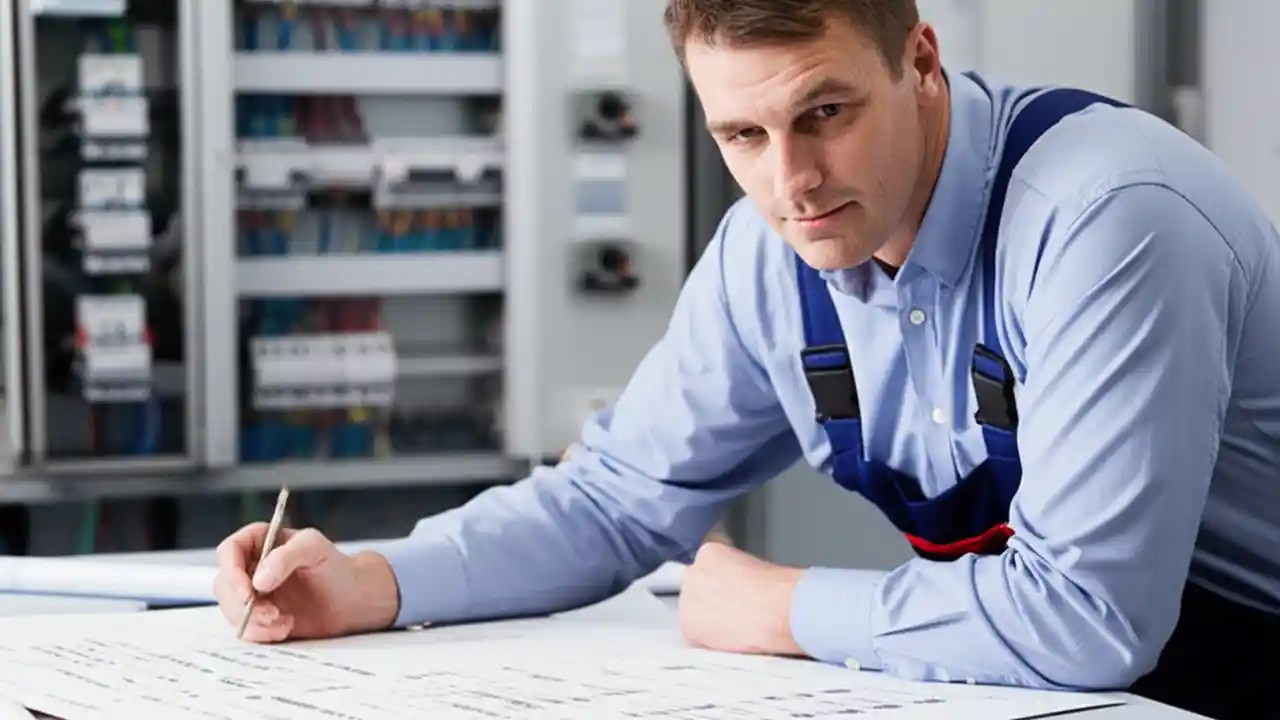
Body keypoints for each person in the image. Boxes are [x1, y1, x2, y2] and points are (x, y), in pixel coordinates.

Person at [214, 1, 1280, 716]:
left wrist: (779, 607)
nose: (792, 183)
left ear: (917, 59)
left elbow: (1084, 618)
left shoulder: (1109, 221)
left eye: (824, 113)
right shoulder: (770, 257)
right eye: (741, 137)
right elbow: (614, 501)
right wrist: (371, 581)